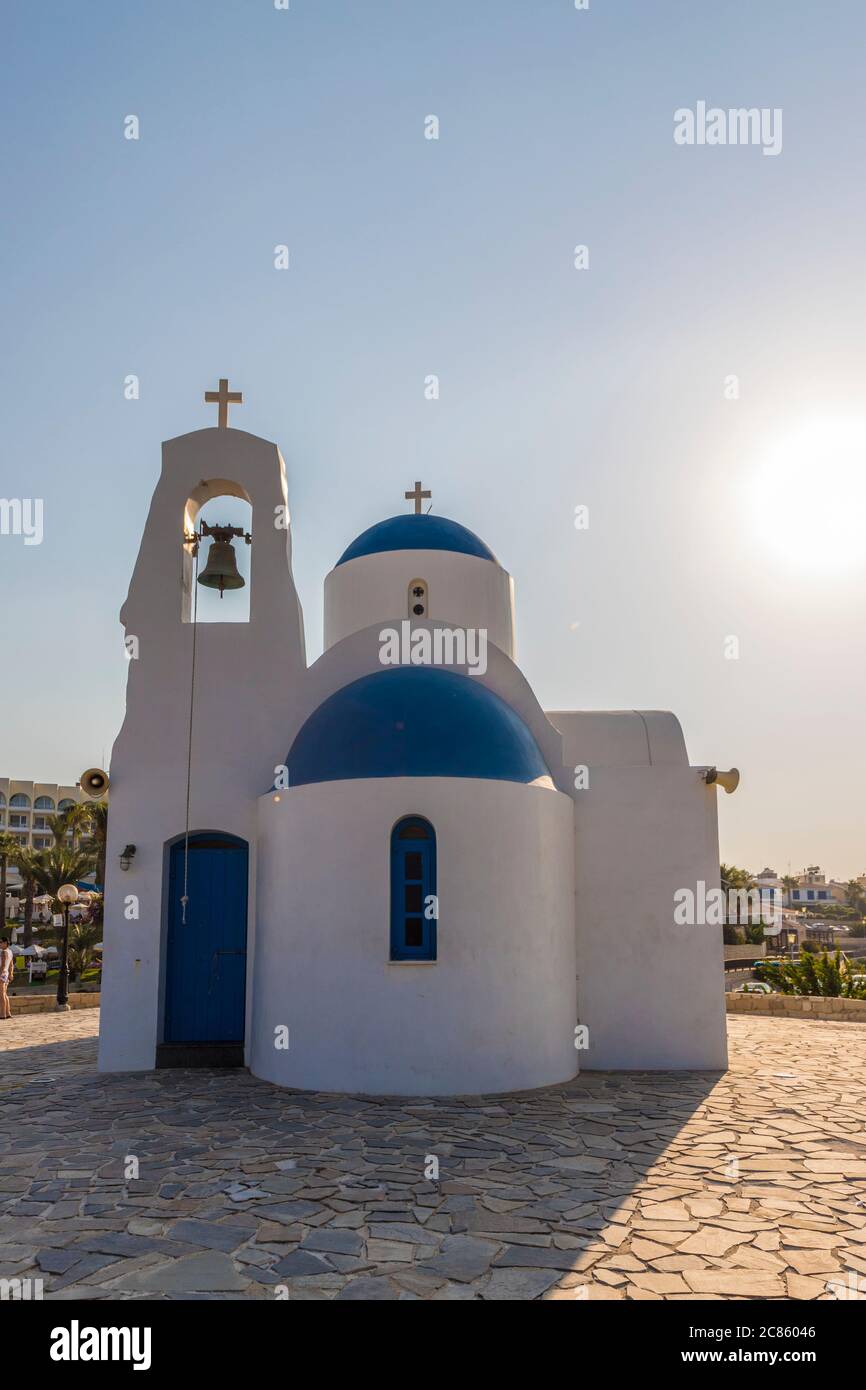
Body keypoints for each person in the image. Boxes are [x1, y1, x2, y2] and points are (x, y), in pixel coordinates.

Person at [0, 937, 13, 1020]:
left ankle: (2, 1014)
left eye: (1, 942)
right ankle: (8, 1013)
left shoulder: (4, 952)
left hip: (2, 974)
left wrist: (0, 974)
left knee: (1, 995)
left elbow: (3, 965)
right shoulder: (10, 952)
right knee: (4, 994)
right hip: (6, 974)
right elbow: (11, 965)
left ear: (5, 943)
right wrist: (11, 974)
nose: (0, 944)